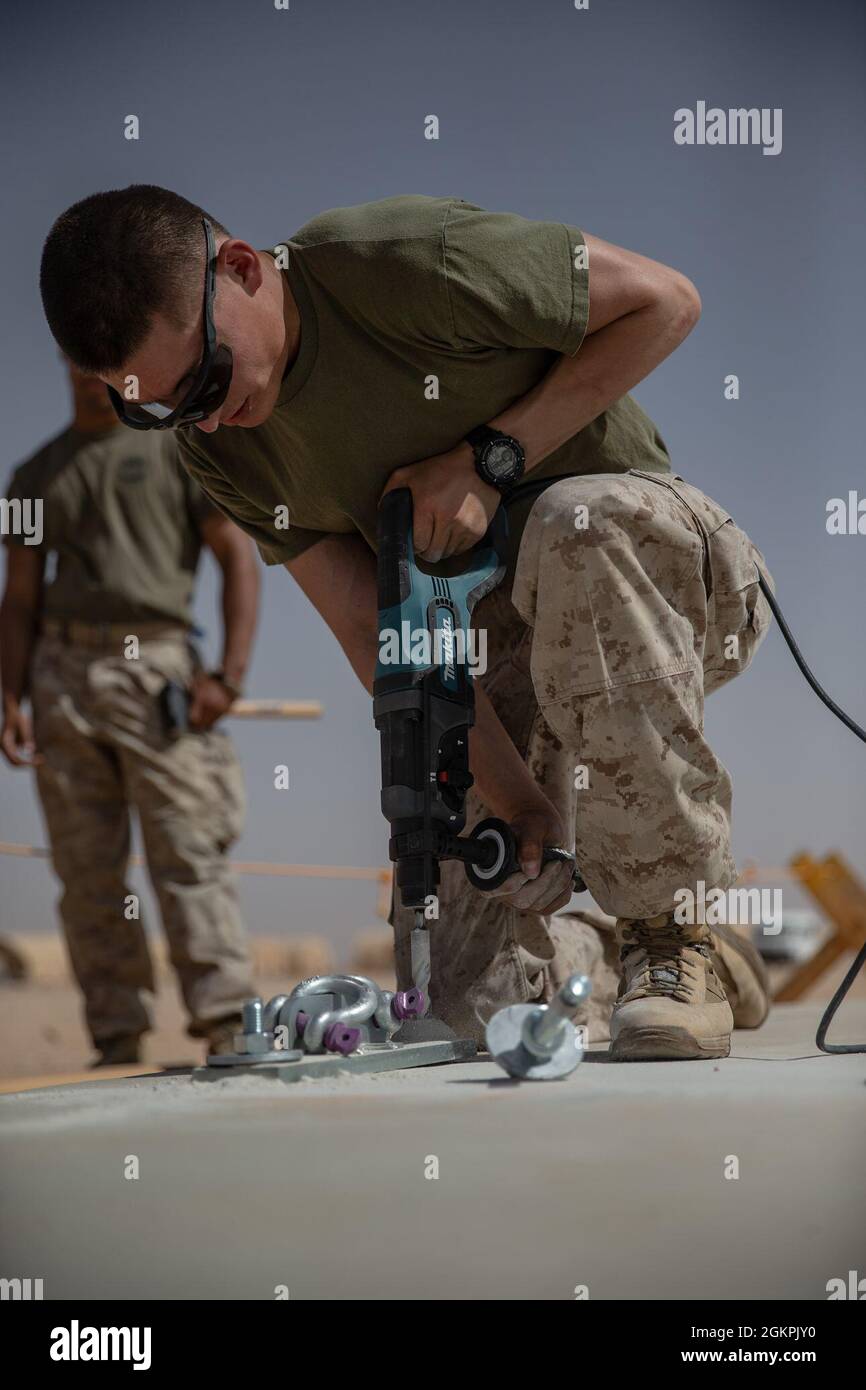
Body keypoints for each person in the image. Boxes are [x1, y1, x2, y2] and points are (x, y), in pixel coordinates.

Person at [37, 186, 771, 1059]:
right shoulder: (216, 445)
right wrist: (519, 801)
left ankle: (669, 930)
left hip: (653, 581)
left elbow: (665, 301)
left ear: (239, 269)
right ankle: (644, 961)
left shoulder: (398, 261)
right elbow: (375, 633)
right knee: (463, 1012)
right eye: (155, 409)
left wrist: (491, 461)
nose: (199, 417)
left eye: (204, 379)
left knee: (579, 520)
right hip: (494, 642)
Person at [0, 357, 260, 1065]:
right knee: (87, 873)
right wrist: (11, 696)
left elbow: (236, 555)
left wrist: (229, 677)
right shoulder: (31, 479)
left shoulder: (174, 448)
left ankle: (228, 1023)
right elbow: (18, 597)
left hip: (158, 669)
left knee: (187, 850)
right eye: (77, 364)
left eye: (102, 365)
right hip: (60, 676)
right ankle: (116, 1037)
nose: (91, 378)